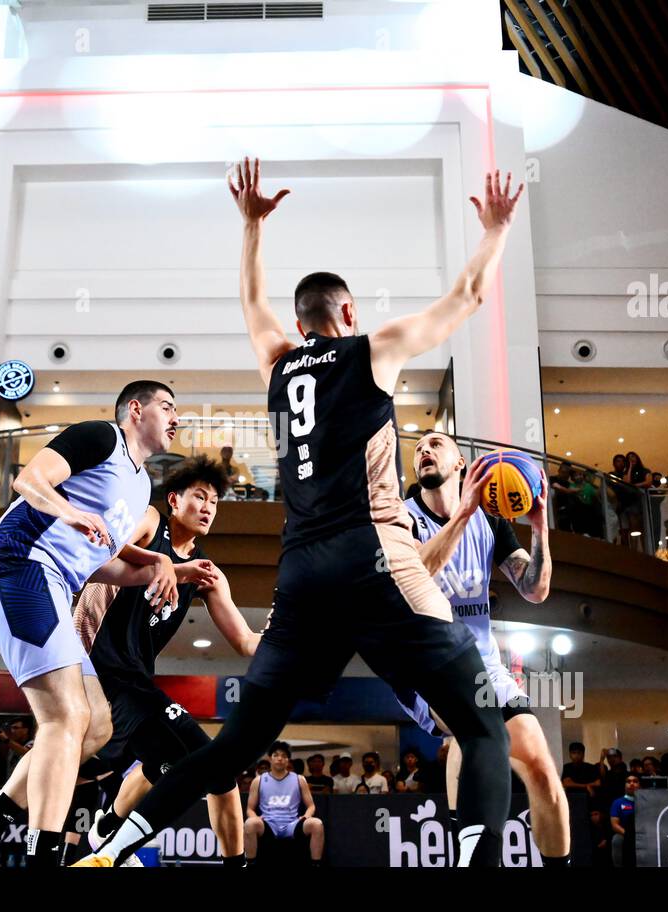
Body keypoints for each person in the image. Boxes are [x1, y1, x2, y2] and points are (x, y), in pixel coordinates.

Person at [76, 159, 521, 868]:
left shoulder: (280, 363)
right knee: (482, 723)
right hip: (374, 557)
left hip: (302, 574)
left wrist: (251, 227)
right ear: (346, 314)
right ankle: (477, 862)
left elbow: (251, 306)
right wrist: (495, 231)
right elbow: (468, 294)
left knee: (234, 746)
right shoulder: (373, 351)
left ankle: (112, 846)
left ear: (301, 320)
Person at [0, 381, 182, 868]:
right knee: (65, 717)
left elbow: (101, 563)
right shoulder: (100, 437)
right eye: (168, 406)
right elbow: (27, 481)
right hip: (17, 565)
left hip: (55, 581)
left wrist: (160, 567)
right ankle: (43, 856)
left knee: (95, 723)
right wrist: (70, 512)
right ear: (136, 409)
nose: (177, 418)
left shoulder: (140, 486)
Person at [75, 456, 262, 867]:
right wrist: (168, 565)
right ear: (175, 501)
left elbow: (248, 643)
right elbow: (101, 554)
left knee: (192, 769)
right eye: (199, 496)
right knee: (211, 765)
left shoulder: (208, 573)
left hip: (136, 683)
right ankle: (111, 850)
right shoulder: (150, 522)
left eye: (215, 501)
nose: (209, 507)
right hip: (99, 672)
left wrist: (287, 635)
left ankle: (107, 833)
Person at [393, 429, 568, 864]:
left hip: (484, 664)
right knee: (470, 731)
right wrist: (465, 512)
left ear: (459, 464)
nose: (423, 451)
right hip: (425, 662)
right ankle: (473, 855)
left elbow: (535, 590)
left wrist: (539, 527)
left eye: (435, 444)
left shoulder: (491, 523)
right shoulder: (400, 517)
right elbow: (419, 572)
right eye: (418, 449)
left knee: (542, 767)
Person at [244, 742, 323, 866]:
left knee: (317, 824)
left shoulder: (299, 779)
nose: (280, 758)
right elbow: (249, 808)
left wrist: (306, 816)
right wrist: (255, 817)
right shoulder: (258, 780)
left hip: (292, 824)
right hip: (268, 824)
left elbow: (311, 806)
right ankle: (250, 864)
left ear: (288, 760)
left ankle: (316, 865)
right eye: (276, 755)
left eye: (284, 756)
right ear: (270, 758)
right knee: (250, 823)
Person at [609, 773, 639, 867]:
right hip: (624, 833)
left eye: (635, 781)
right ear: (624, 785)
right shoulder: (618, 802)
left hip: (643, 834)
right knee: (616, 840)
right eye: (628, 782)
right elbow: (614, 825)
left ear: (639, 785)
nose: (632, 784)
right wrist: (628, 834)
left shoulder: (646, 801)